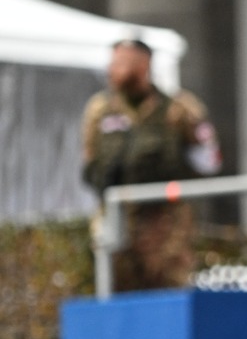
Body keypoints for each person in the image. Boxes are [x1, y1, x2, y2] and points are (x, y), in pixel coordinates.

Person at [80, 40, 221, 291]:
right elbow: (90, 164)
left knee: (168, 296)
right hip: (117, 223)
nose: (113, 70)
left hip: (166, 230)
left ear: (143, 65)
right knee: (115, 297)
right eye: (113, 63)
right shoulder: (99, 111)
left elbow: (209, 162)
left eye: (122, 63)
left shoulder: (179, 109)